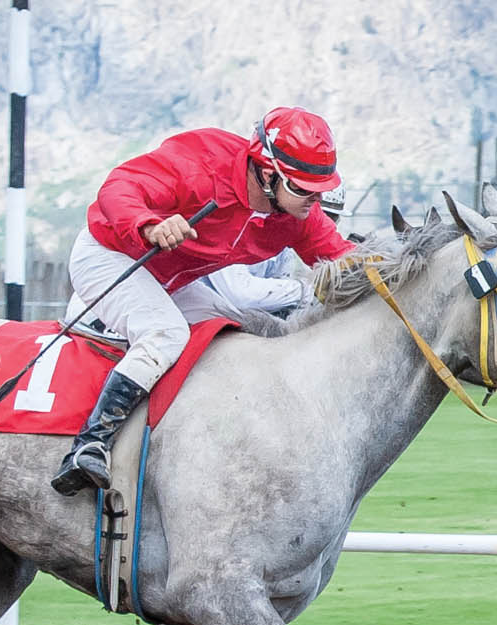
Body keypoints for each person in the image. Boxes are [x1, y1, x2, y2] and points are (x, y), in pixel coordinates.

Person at [50, 107, 356, 496]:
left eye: (319, 189)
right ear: (266, 173)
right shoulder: (202, 161)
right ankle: (88, 445)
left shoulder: (296, 216)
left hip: (170, 282)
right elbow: (120, 187)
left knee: (232, 331)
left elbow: (342, 257)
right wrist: (149, 223)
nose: (314, 200)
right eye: (301, 188)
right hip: (110, 257)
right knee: (165, 333)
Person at [195, 182, 351, 321]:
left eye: (332, 219)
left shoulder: (285, 242)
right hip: (194, 309)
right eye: (322, 217)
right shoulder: (234, 222)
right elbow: (240, 294)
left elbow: (278, 298)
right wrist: (310, 291)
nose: (325, 227)